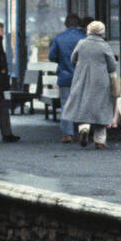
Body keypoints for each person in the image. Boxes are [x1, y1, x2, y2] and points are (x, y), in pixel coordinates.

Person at [60, 20, 117, 149]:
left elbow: (73, 59)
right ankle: (100, 140)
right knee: (101, 107)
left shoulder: (81, 43)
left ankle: (84, 128)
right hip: (100, 80)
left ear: (88, 31)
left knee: (83, 104)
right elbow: (112, 65)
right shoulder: (104, 46)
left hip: (82, 78)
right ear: (102, 32)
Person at [48, 14, 86, 144]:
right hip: (82, 76)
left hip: (65, 76)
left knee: (66, 105)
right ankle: (81, 131)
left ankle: (67, 134)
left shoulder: (59, 38)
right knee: (81, 104)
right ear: (79, 24)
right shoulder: (84, 37)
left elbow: (52, 56)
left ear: (66, 24)